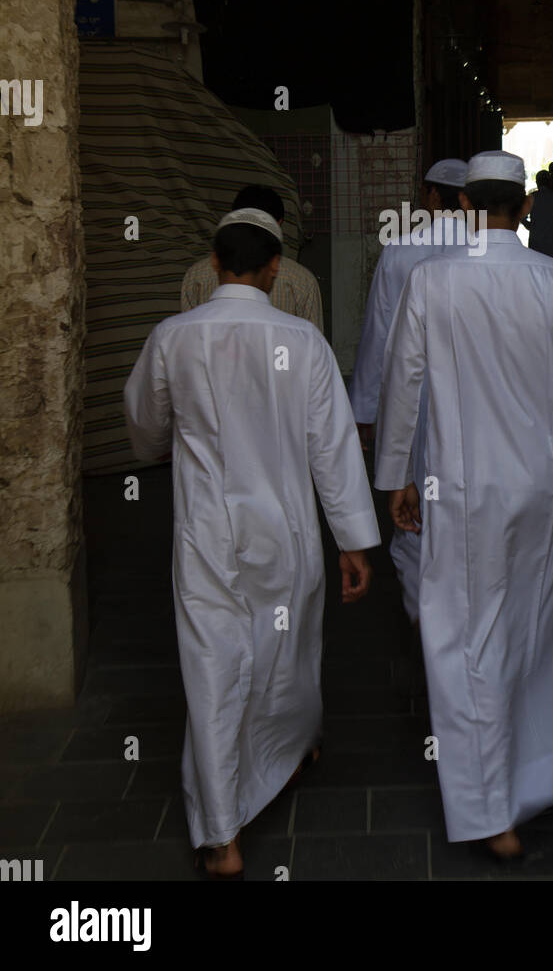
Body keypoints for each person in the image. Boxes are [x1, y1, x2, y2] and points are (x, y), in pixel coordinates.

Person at [375, 151, 553, 860]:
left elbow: (403, 384)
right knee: (542, 633)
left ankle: (494, 808)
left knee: (466, 638)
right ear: (523, 209)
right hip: (551, 493)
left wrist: (395, 475)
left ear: (463, 206)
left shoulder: (431, 283)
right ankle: (539, 773)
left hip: (462, 491)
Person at [124, 207, 380, 879]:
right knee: (286, 651)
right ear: (274, 268)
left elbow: (146, 432)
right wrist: (354, 540)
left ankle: (222, 839)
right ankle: (289, 753)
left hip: (206, 534)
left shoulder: (173, 336)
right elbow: (332, 450)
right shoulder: (302, 341)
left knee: (210, 671)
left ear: (214, 263)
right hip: (286, 531)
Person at [349, 159, 468, 623]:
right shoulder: (492, 249)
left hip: (413, 401)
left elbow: (379, 336)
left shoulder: (401, 250)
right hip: (476, 401)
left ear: (434, 197)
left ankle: (428, 622)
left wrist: (366, 410)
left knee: (414, 514)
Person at [181, 184, 323, 332]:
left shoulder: (195, 275)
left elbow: (185, 341)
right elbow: (312, 342)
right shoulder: (301, 279)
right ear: (279, 223)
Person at [521, 169, 553, 260]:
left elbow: (521, 217)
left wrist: (531, 227)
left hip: (536, 241)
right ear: (549, 182)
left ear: (537, 182)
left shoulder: (531, 197)